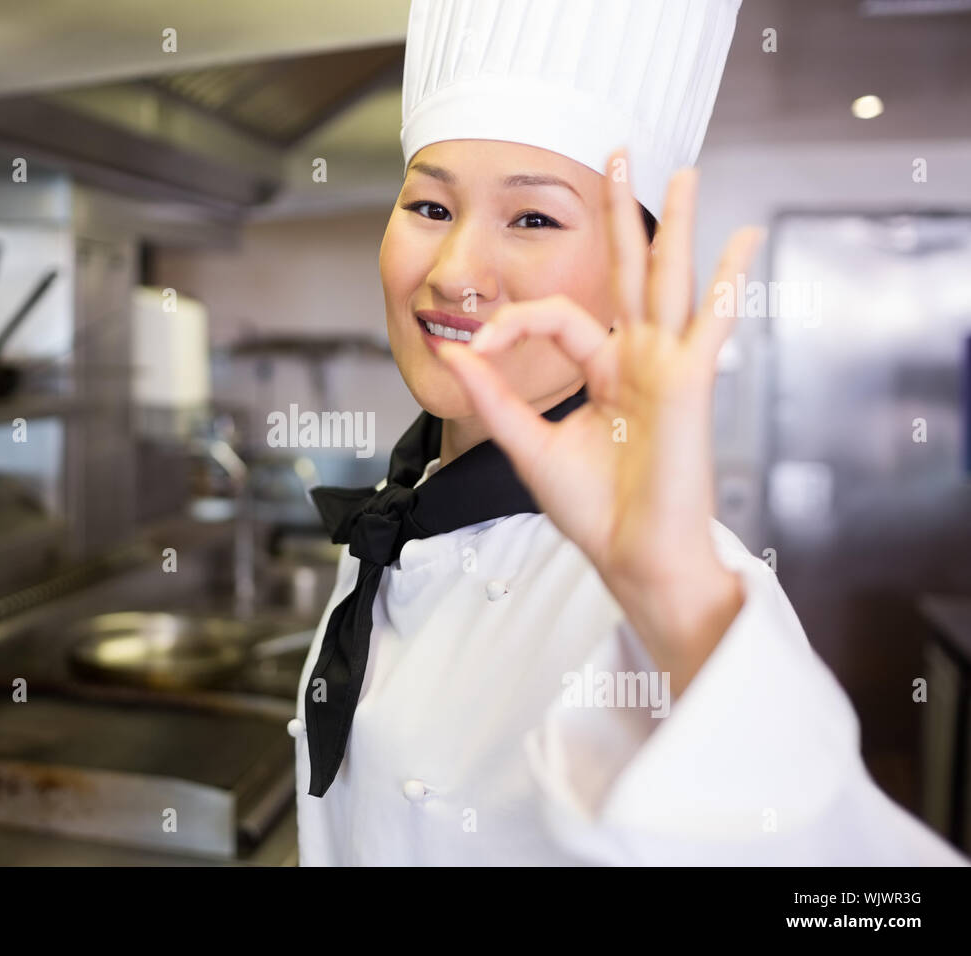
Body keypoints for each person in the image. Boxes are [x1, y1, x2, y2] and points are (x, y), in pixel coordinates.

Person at [289, 0, 967, 865]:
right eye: (429, 207)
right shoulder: (391, 525)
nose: (455, 272)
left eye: (533, 218)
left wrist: (677, 601)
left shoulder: (686, 589)